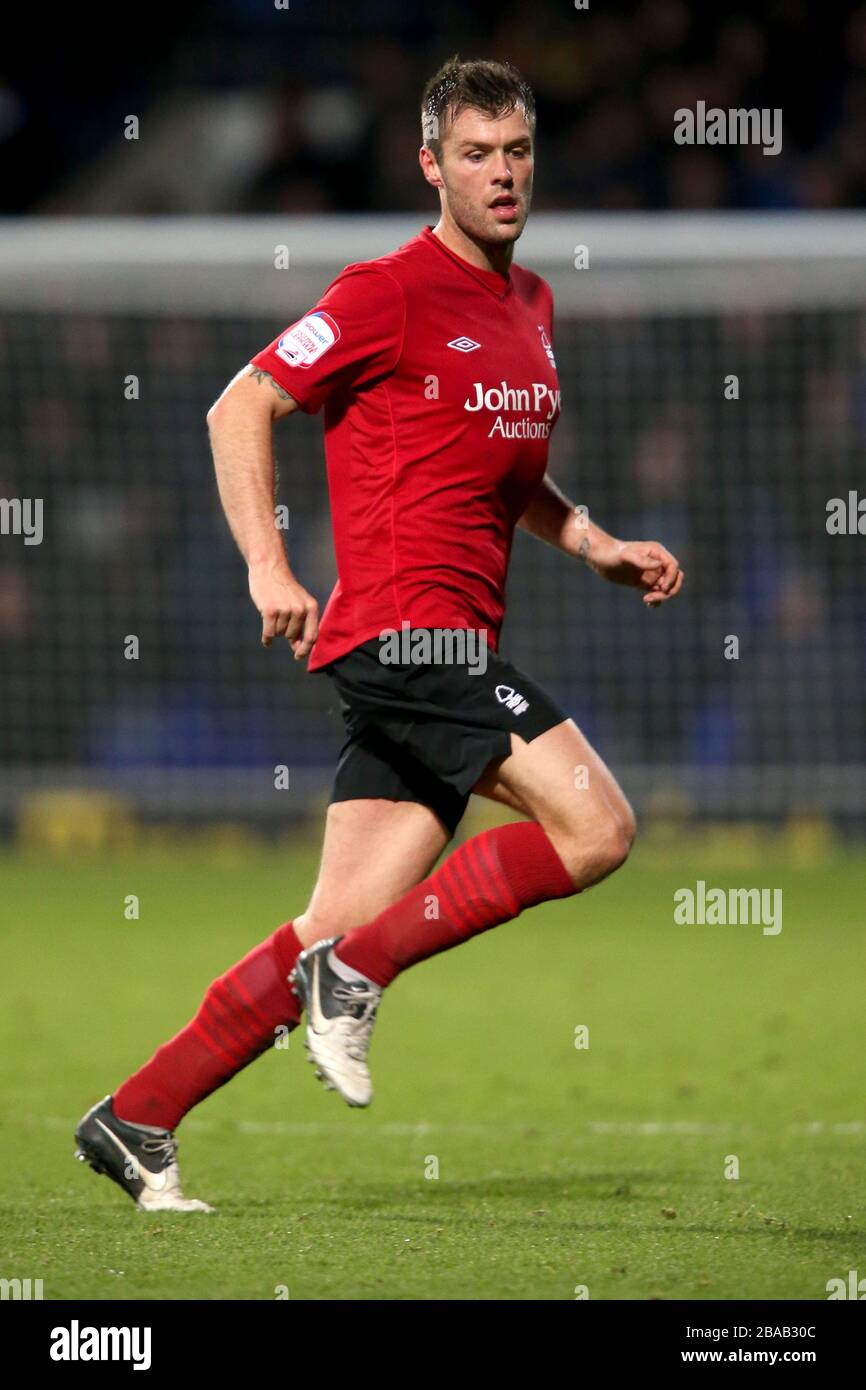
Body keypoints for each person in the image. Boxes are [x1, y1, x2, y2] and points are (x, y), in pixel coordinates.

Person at [74, 55, 683, 1211]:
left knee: (336, 915)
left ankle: (139, 1113)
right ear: (429, 166)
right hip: (412, 637)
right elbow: (237, 402)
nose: (500, 175)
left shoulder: (530, 307)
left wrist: (593, 540)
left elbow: (506, 473)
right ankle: (356, 977)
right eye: (474, 155)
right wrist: (268, 563)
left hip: (434, 649)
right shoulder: (384, 290)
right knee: (596, 828)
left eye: (515, 153)